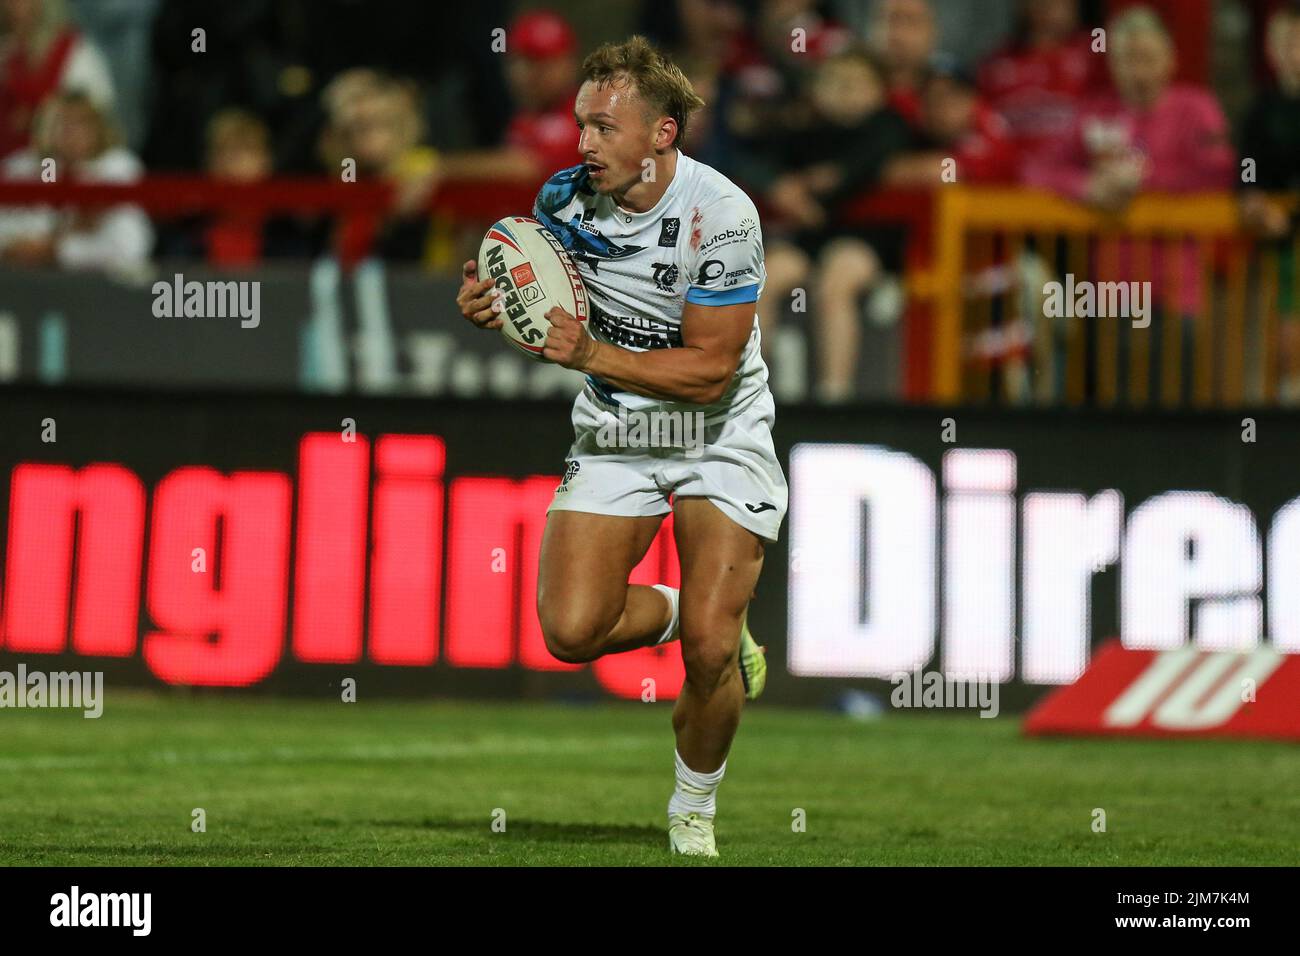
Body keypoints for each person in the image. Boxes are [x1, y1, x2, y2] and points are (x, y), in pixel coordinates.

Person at [456, 36, 785, 858]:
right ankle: (695, 614)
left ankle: (692, 809)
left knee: (710, 652)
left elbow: (710, 372)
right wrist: (496, 303)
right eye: (579, 125)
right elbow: (543, 298)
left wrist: (588, 354)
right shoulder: (563, 202)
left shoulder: (724, 215)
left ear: (662, 135)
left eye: (604, 127)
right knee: (570, 632)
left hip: (719, 430)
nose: (583, 144)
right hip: (618, 426)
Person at [0, 90, 150, 275]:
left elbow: (130, 247)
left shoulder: (118, 166)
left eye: (81, 123)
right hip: (26, 280)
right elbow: (14, 230)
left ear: (99, 127)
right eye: (61, 122)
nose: (71, 132)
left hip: (99, 285)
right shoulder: (29, 165)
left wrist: (56, 250)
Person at [1238, 5, 1300, 403]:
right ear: (1271, 50)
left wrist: (1290, 217)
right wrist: (1252, 197)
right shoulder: (1260, 110)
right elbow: (1246, 167)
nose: (1295, 51)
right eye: (1287, 42)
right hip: (1276, 248)